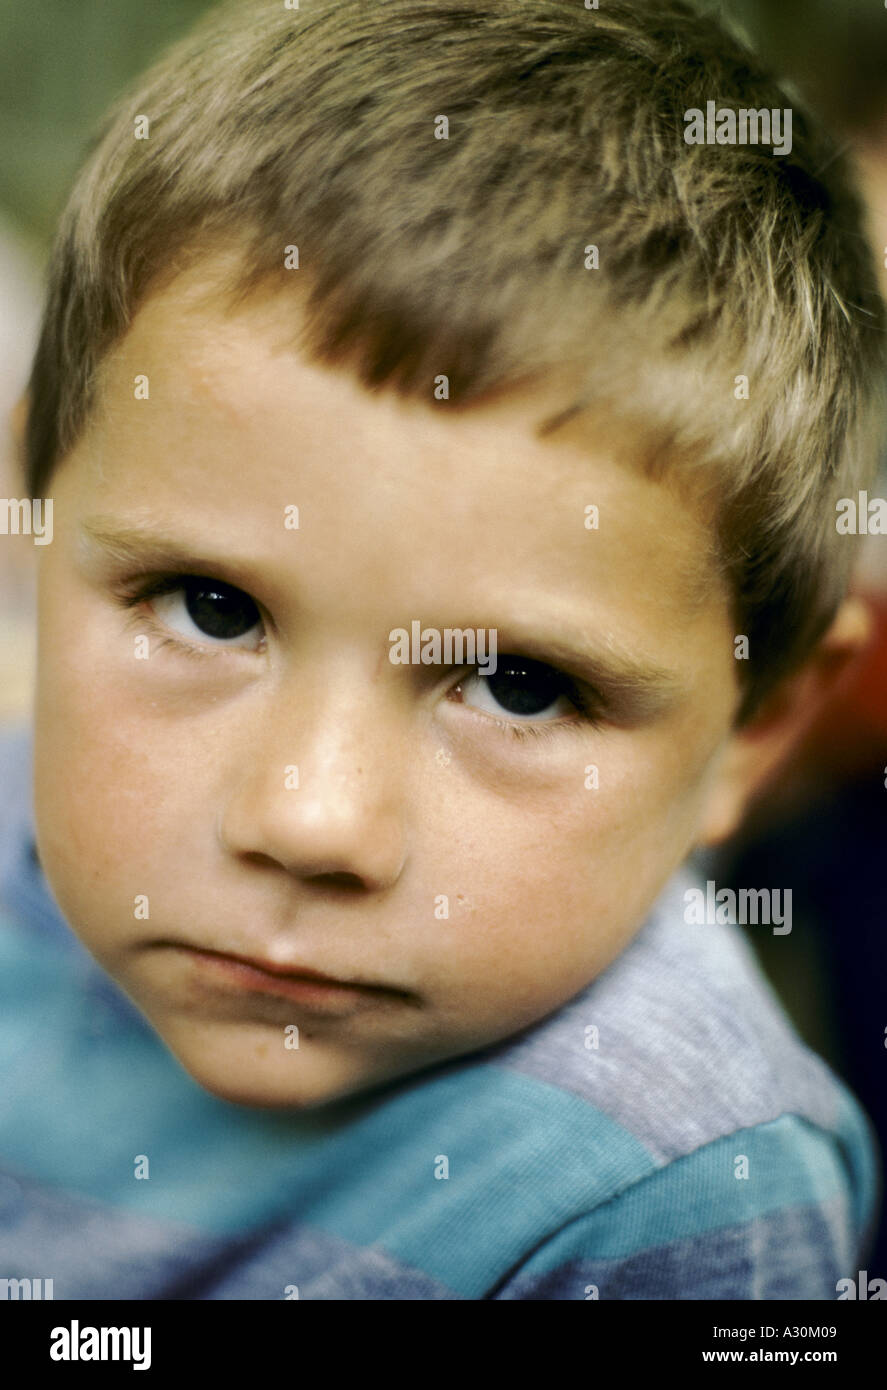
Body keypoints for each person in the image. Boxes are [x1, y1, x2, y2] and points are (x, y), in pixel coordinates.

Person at [0, 0, 883, 1299]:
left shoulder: (673, 1187)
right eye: (210, 607)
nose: (309, 818)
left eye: (520, 684)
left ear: (753, 726)